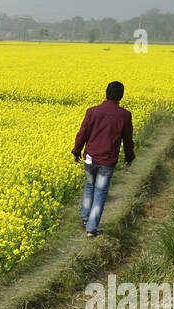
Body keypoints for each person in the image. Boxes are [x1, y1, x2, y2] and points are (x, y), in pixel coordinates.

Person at [72, 80, 135, 238]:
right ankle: (91, 229)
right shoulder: (124, 115)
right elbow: (127, 139)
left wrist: (76, 151)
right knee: (99, 193)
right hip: (106, 161)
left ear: (106, 93)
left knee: (89, 187)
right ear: (121, 96)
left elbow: (83, 133)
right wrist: (129, 157)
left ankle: (86, 219)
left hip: (89, 159)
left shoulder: (92, 111)